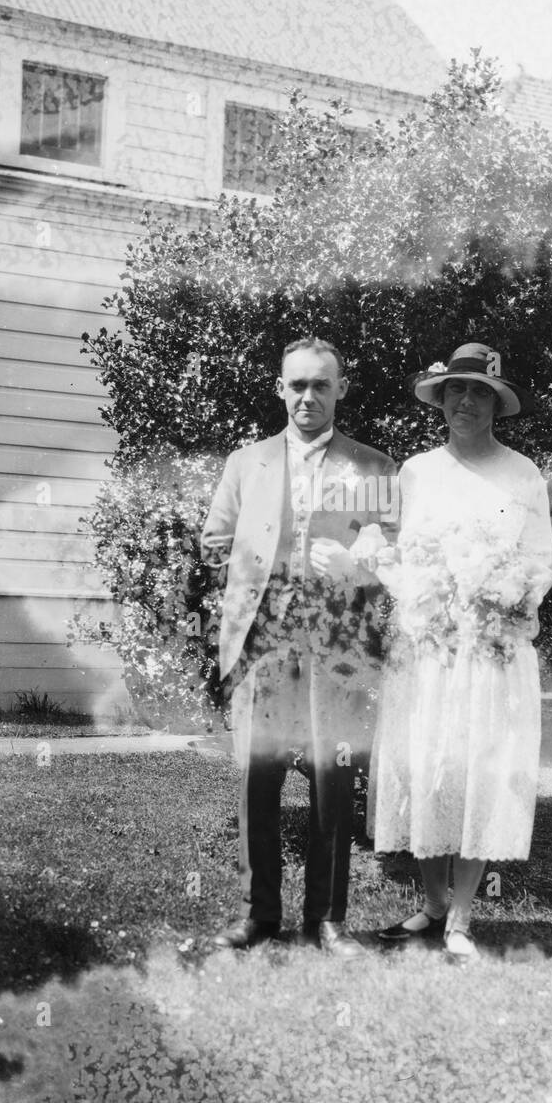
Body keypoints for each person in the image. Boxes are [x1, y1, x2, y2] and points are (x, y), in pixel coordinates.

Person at [202, 337, 398, 959]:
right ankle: (258, 913)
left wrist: (354, 567)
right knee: (256, 777)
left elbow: (394, 552)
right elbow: (214, 543)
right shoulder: (246, 463)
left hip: (334, 643)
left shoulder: (372, 465)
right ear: (280, 389)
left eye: (320, 385)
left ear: (341, 389)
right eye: (297, 385)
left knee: (331, 778)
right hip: (264, 639)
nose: (307, 397)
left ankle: (328, 919)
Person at [364, 343, 552, 963]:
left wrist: (502, 595)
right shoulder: (416, 472)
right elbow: (396, 550)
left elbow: (539, 563)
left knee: (475, 770)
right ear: (441, 399)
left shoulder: (522, 473)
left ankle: (463, 919)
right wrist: (404, 576)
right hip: (426, 649)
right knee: (425, 767)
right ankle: (432, 904)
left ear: (496, 404)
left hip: (488, 650)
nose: (466, 402)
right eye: (456, 391)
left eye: (479, 392)